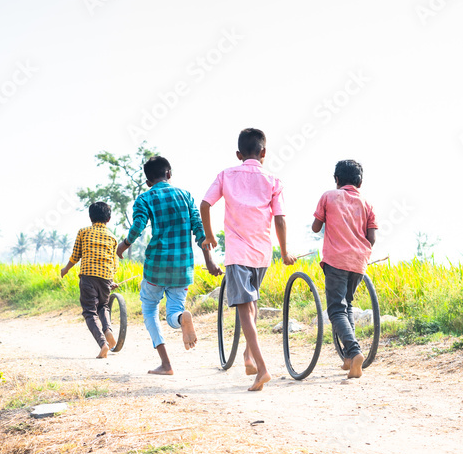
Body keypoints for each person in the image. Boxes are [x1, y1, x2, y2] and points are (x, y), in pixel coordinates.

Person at [201, 128, 295, 392]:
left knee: (244, 309)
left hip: (238, 253)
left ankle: (263, 368)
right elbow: (280, 218)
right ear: (263, 153)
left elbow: (205, 204)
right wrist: (285, 251)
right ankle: (247, 356)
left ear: (239, 154)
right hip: (262, 254)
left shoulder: (226, 174)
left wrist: (209, 235)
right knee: (250, 306)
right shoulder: (274, 180)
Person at [117, 156, 222, 376]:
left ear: (148, 182)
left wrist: (124, 245)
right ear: (169, 174)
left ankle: (166, 364)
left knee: (149, 309)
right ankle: (182, 318)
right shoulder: (185, 196)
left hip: (156, 266)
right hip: (183, 267)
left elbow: (137, 226)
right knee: (174, 312)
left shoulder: (145, 198)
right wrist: (209, 260)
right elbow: (199, 228)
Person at [312, 159, 378, 379]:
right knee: (346, 305)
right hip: (358, 264)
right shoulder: (367, 203)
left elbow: (316, 227)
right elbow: (372, 238)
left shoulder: (329, 196)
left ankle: (355, 351)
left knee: (335, 310)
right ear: (360, 182)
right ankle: (349, 359)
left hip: (336, 261)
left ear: (336, 179)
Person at [60, 201, 119, 359]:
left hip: (88, 277)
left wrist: (65, 270)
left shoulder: (83, 232)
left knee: (90, 312)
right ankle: (108, 330)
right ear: (109, 219)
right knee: (103, 306)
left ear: (90, 217)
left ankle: (103, 344)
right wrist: (111, 281)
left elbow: (75, 256)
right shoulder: (113, 237)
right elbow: (114, 264)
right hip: (106, 278)